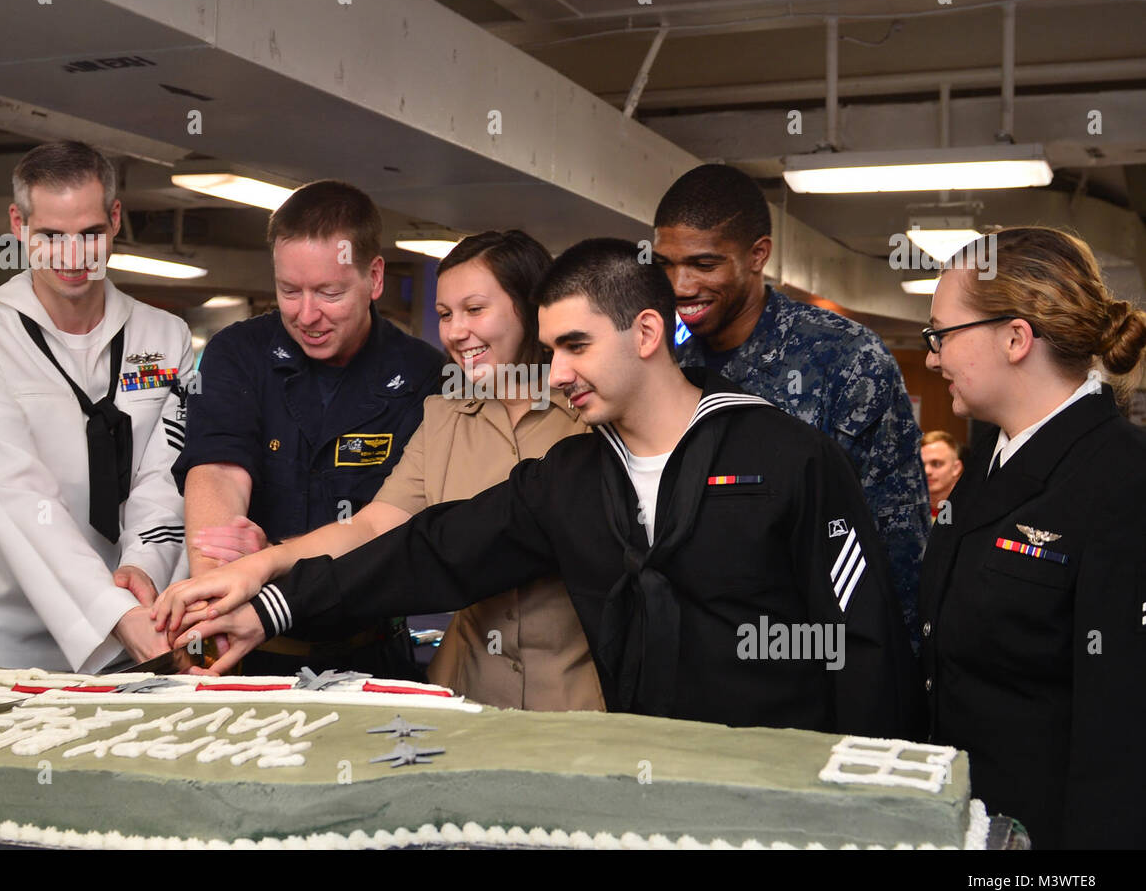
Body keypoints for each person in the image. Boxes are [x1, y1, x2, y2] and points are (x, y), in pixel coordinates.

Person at [167, 238, 915, 737]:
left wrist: (875, 801)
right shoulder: (575, 479)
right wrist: (272, 601)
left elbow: (864, 645)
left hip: (782, 793)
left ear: (647, 334)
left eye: (577, 346)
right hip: (645, 790)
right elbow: (428, 550)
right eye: (551, 348)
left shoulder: (787, 458)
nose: (555, 373)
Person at [156, 231, 604, 711]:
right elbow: (373, 524)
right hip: (465, 695)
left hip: (577, 694)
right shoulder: (444, 415)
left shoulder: (591, 418)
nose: (455, 332)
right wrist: (262, 564)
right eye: (445, 315)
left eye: (475, 310)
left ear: (529, 307)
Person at [920, 226, 1146, 849]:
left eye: (941, 335)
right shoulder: (992, 461)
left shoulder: (1122, 481)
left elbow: (1122, 736)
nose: (934, 357)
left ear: (1016, 338)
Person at [0, 140, 192, 672]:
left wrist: (143, 565)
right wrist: (112, 611)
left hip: (142, 613)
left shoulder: (166, 336)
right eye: (51, 235)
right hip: (4, 639)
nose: (74, 257)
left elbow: (164, 475)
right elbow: (20, 498)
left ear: (116, 219)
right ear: (19, 224)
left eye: (91, 233)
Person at [172, 180, 444, 679]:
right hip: (247, 654)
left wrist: (271, 561)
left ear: (375, 277)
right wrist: (215, 597)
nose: (306, 315)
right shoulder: (238, 353)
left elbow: (390, 529)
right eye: (289, 291)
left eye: (329, 292)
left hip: (369, 654)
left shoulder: (426, 375)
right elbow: (218, 470)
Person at [652, 164, 929, 649]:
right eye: (665, 264)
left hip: (814, 658)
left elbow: (896, 538)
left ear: (758, 255)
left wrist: (896, 689)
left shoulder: (844, 357)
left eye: (704, 264)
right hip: (696, 655)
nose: (680, 285)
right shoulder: (665, 361)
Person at [919, 430, 963, 522]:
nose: (927, 471)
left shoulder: (971, 509)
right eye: (921, 465)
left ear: (956, 468)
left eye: (936, 464)